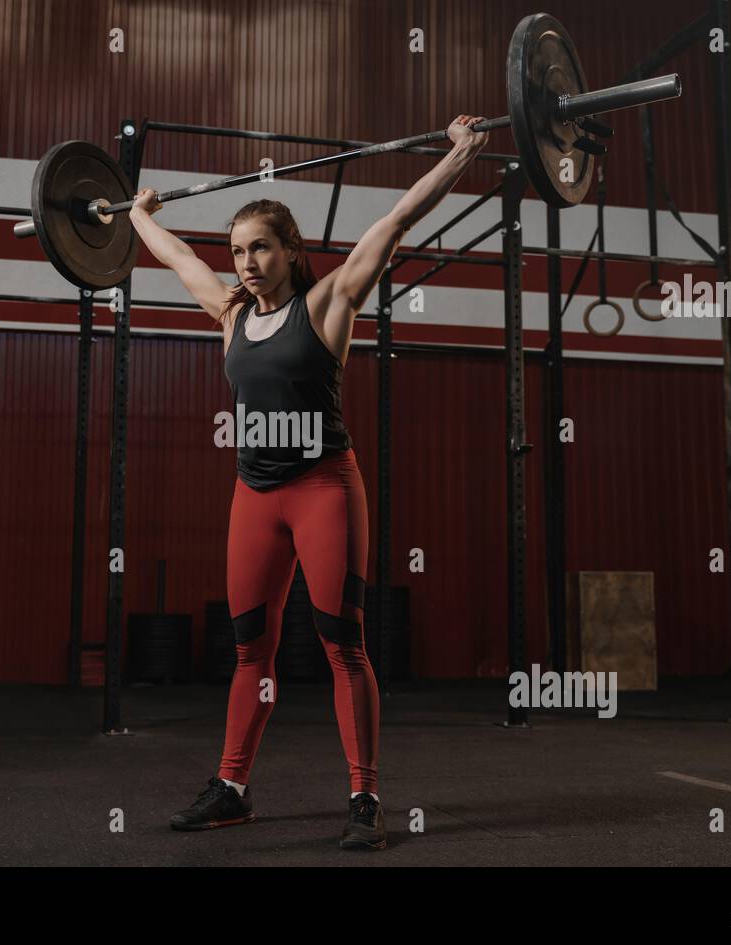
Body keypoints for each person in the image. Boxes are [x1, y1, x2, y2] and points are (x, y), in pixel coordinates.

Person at [129, 115, 491, 850]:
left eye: (260, 247)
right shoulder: (229, 314)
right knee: (249, 650)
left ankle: (364, 797)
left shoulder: (326, 306)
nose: (246, 261)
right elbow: (174, 259)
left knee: (341, 643)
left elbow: (396, 220)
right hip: (254, 499)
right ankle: (231, 788)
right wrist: (139, 215)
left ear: (291, 251)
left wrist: (461, 154)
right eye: (237, 251)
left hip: (324, 489)